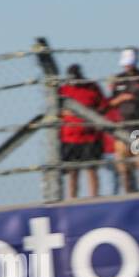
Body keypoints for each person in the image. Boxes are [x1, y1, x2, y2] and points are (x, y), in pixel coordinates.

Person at [108, 48, 139, 193]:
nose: (128, 66)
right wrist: (121, 98)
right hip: (123, 127)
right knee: (123, 164)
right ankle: (128, 191)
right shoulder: (117, 79)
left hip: (138, 128)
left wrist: (138, 98)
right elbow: (109, 103)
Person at [58, 64, 107, 199]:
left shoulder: (92, 87)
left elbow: (104, 106)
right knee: (73, 171)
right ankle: (72, 199)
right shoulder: (63, 89)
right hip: (71, 138)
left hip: (137, 128)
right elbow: (55, 111)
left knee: (138, 158)